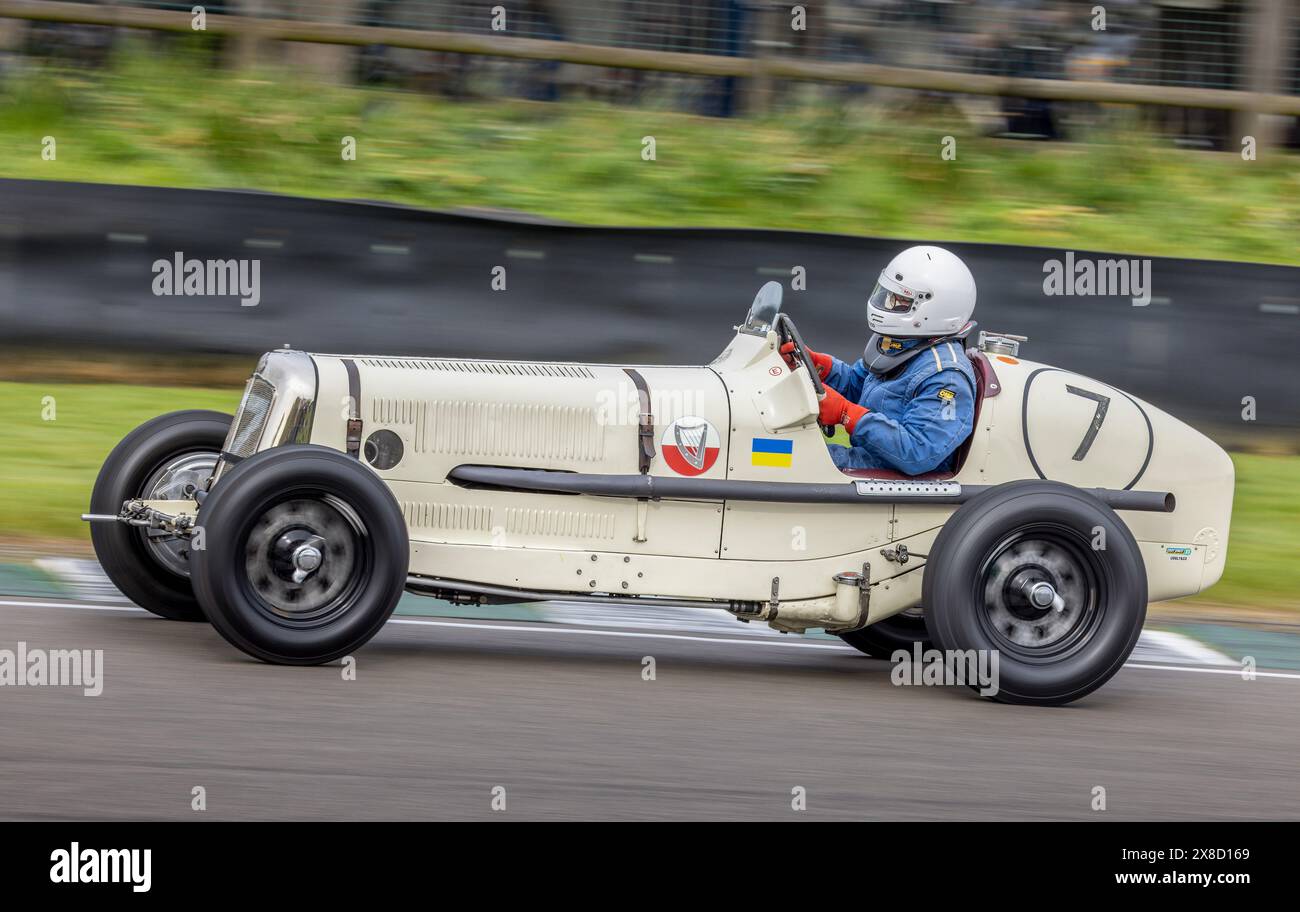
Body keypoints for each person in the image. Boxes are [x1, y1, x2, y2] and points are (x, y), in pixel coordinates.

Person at [782, 246, 978, 475]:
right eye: (888, 296)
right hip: (871, 460)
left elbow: (919, 452)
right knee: (770, 449)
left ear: (933, 308)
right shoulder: (906, 345)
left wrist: (847, 414)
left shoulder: (947, 378)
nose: (888, 305)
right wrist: (818, 366)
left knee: (776, 457)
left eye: (899, 301)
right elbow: (859, 385)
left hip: (892, 476)